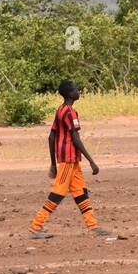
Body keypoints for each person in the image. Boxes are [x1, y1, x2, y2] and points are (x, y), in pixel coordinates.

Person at [30, 80, 111, 239]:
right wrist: (91, 161)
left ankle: (93, 227)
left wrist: (53, 163)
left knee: (81, 192)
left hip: (72, 161)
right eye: (76, 89)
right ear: (70, 93)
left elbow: (51, 136)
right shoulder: (70, 112)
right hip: (68, 159)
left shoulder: (60, 110)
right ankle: (35, 227)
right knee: (58, 193)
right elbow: (75, 138)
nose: (78, 91)